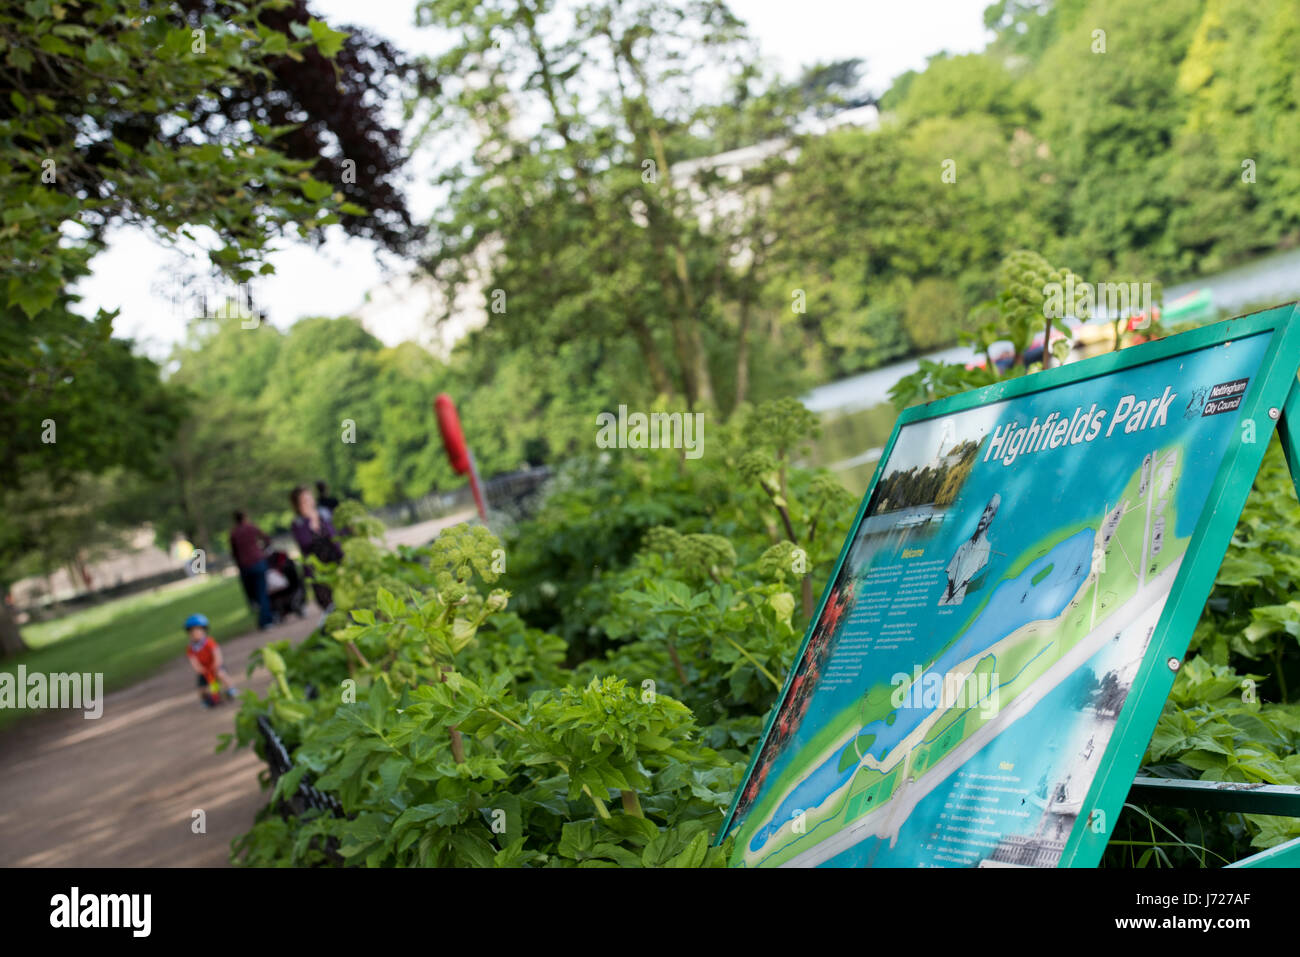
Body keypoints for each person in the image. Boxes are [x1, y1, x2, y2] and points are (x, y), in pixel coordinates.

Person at [290, 485, 344, 610]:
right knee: (329, 604)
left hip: (336, 562)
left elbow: (337, 534)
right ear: (298, 504)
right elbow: (305, 542)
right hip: (317, 570)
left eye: (309, 498)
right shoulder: (298, 523)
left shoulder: (325, 513)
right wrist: (311, 521)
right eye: (304, 500)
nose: (309, 502)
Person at [229, 510, 274, 629]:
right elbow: (266, 538)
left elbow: (234, 553)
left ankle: (264, 618)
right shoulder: (251, 528)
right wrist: (263, 551)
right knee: (262, 592)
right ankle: (266, 620)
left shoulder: (234, 533)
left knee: (254, 595)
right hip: (258, 563)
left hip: (245, 567)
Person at [184, 613, 237, 707]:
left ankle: (231, 689)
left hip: (214, 665)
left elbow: (216, 653)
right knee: (202, 688)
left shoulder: (209, 642)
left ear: (204, 631)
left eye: (198, 630)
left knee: (221, 674)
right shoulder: (191, 648)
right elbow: (193, 660)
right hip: (204, 669)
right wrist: (199, 668)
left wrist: (217, 663)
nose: (195, 634)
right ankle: (205, 699)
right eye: (193, 632)